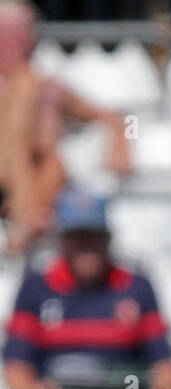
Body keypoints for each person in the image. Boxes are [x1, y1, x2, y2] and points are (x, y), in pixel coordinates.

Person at [2, 187, 171, 389]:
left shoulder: (137, 287)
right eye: (77, 237)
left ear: (108, 239)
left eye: (93, 237)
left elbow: (166, 373)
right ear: (63, 240)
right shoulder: (36, 289)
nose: (86, 247)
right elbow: (17, 370)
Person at [0, 0, 131, 255]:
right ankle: (25, 224)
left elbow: (122, 118)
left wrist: (122, 143)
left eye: (19, 34)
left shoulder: (49, 89)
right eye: (4, 34)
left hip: (37, 194)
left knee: (53, 160)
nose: (11, 42)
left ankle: (26, 225)